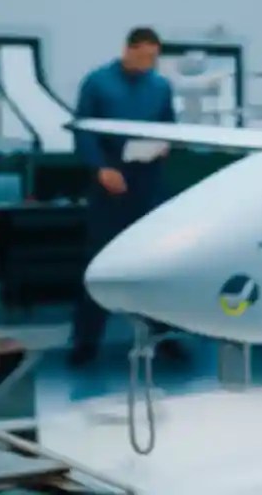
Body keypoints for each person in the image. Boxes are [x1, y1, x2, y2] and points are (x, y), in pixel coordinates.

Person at [69, 27, 187, 366]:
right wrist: (99, 169)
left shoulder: (160, 86)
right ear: (129, 50)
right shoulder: (98, 83)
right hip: (109, 185)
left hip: (148, 184)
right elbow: (84, 130)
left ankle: (164, 336)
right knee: (99, 263)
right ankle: (86, 342)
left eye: (155, 58)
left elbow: (169, 126)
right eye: (145, 56)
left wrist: (166, 145)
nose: (150, 63)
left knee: (157, 262)